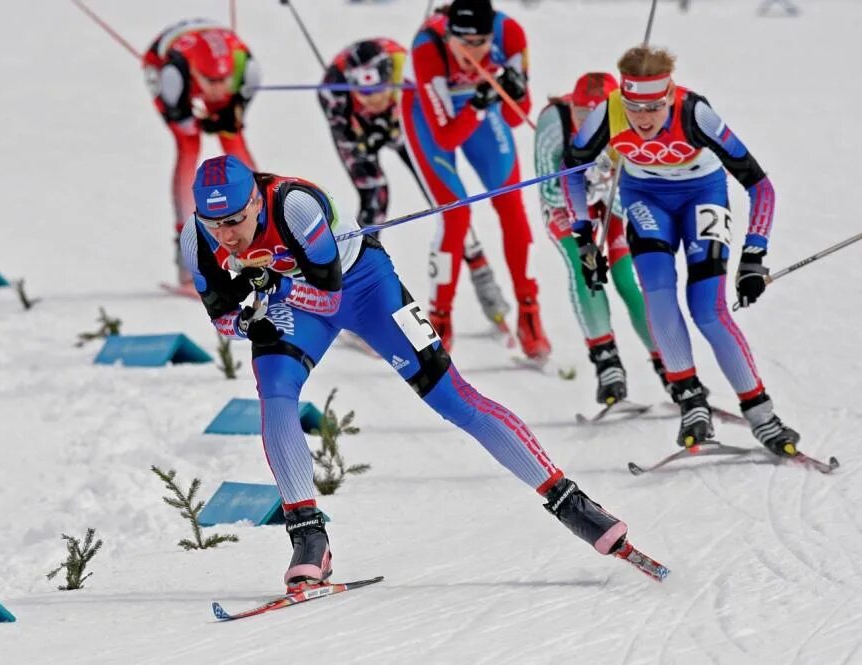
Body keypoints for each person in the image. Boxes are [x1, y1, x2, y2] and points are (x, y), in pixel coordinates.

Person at [181, 154, 654, 591]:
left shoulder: (294, 205)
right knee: (275, 392)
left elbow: (329, 294)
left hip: (364, 287)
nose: (225, 235)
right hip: (294, 306)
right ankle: (309, 538)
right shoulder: (195, 237)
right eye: (213, 224)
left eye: (235, 222)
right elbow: (222, 318)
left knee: (452, 398)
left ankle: (571, 504)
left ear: (254, 203)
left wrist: (274, 284)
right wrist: (249, 321)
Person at [562, 46, 800, 456]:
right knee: (657, 288)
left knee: (707, 308)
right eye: (634, 105)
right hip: (644, 197)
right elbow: (572, 169)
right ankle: (690, 401)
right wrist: (583, 235)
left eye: (654, 106)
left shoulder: (695, 113)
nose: (642, 117)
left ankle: (761, 413)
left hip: (701, 195)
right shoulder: (608, 111)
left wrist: (754, 256)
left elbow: (760, 185)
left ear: (670, 94)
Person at [318, 38, 512, 334]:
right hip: (359, 131)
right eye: (364, 95)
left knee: (444, 197)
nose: (373, 101)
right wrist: (363, 137)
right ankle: (359, 292)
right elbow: (345, 137)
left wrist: (392, 122)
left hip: (404, 123)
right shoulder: (334, 92)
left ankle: (485, 281)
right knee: (375, 196)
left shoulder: (407, 70)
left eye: (379, 93)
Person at [402, 0, 548, 356]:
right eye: (461, 41)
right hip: (427, 113)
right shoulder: (428, 46)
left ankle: (529, 313)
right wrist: (480, 105)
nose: (470, 51)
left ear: (491, 34)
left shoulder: (509, 34)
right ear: (448, 32)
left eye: (479, 42)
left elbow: (518, 118)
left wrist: (513, 92)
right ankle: (440, 319)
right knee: (456, 214)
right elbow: (446, 136)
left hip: (476, 105)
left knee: (511, 204)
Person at [534, 72, 666, 405]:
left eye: (596, 117)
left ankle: (669, 365)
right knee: (584, 267)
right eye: (581, 114)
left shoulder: (633, 125)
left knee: (626, 279)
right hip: (565, 208)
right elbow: (548, 190)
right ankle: (607, 364)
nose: (586, 123)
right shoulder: (554, 122)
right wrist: (584, 186)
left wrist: (605, 189)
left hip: (612, 204)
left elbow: (641, 193)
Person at [142, 18, 261, 293]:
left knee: (233, 138)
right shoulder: (174, 75)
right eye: (211, 81)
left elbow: (233, 115)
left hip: (214, 53)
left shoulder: (249, 70)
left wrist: (225, 117)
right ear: (197, 72)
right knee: (188, 144)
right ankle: (188, 252)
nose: (219, 89)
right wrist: (196, 119)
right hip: (164, 61)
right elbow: (182, 119)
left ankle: (261, 220)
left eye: (224, 81)